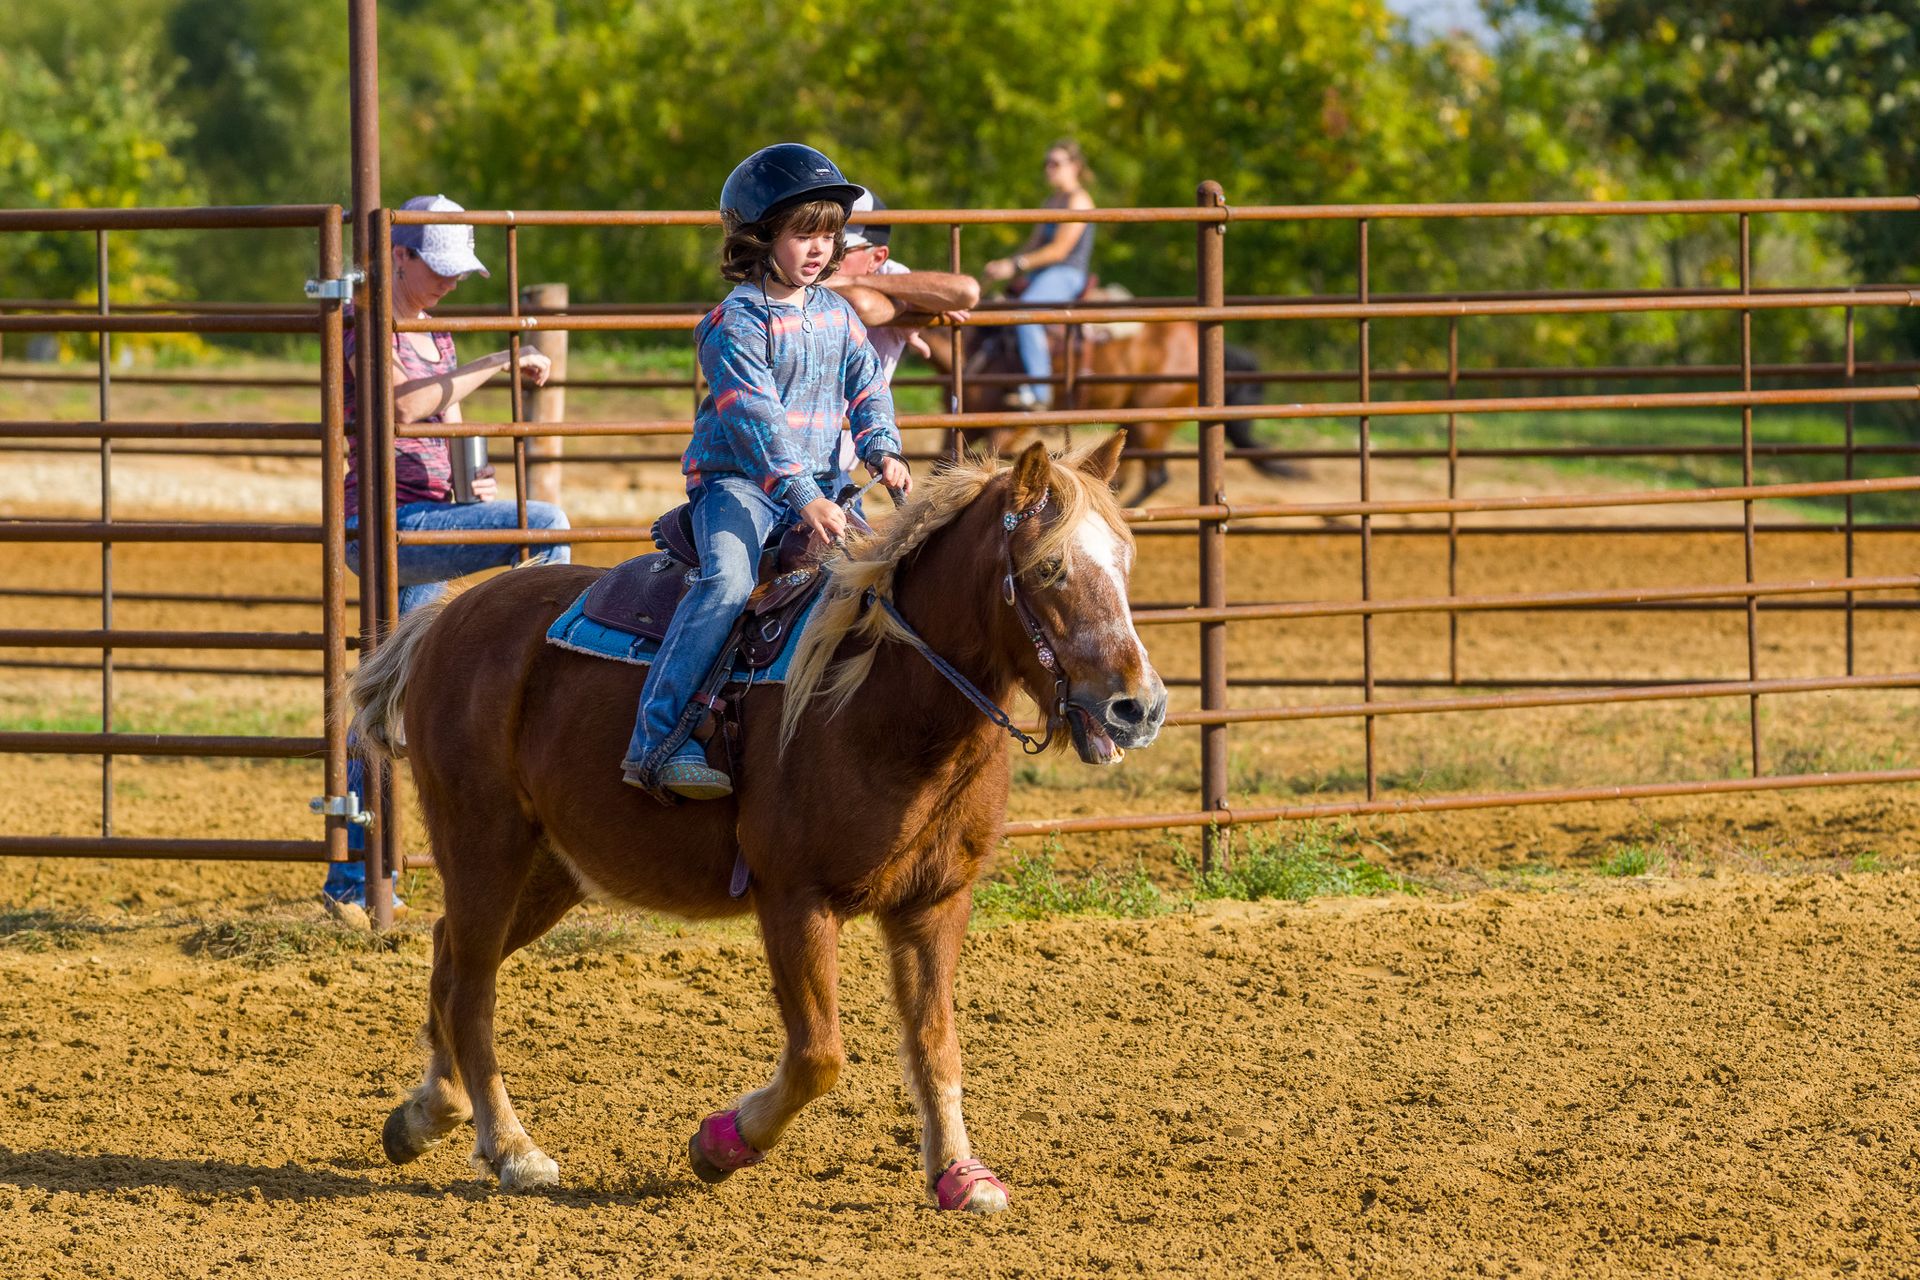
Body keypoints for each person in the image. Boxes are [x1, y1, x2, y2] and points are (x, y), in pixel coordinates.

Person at [620, 144, 910, 801]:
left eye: (828, 233)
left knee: (886, 579)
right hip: (739, 487)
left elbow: (868, 388)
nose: (818, 247)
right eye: (802, 233)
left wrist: (883, 448)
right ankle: (657, 739)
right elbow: (755, 420)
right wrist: (803, 494)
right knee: (727, 582)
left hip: (823, 490)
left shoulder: (837, 314)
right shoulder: (735, 323)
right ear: (760, 237)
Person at [325, 193, 574, 911]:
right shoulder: (365, 323)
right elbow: (404, 406)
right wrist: (500, 357)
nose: (449, 282)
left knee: (384, 691)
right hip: (386, 522)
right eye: (437, 268)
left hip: (433, 518)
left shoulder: (434, 333)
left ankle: (354, 880)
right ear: (398, 256)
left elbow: (452, 427)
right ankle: (547, 662)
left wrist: (477, 481)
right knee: (546, 525)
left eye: (457, 271)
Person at [822, 187, 980, 497]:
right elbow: (863, 306)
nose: (825, 256)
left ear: (877, 258)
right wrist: (907, 305)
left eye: (840, 249)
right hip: (788, 462)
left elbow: (966, 292)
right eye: (822, 240)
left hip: (835, 468)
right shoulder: (801, 273)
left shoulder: (887, 274)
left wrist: (855, 281)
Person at [982, 140, 1097, 409]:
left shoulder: (1079, 200)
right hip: (1044, 273)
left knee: (1027, 311)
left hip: (1068, 273)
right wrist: (1006, 264)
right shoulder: (1052, 200)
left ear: (1075, 166)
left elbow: (1059, 250)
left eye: (1056, 163)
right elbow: (1033, 244)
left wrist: (1016, 265)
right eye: (1047, 163)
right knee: (1000, 306)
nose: (1049, 169)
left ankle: (1040, 393)